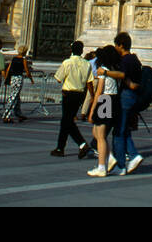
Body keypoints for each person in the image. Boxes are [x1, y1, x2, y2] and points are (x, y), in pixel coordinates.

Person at [100, 32, 145, 175]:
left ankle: (123, 163)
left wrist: (105, 73)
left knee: (118, 131)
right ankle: (132, 157)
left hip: (125, 98)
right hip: (133, 98)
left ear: (121, 45)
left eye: (116, 45)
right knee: (124, 130)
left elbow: (123, 75)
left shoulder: (125, 61)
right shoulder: (135, 59)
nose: (115, 48)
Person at [85, 45, 120, 177]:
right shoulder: (114, 69)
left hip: (105, 101)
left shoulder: (103, 70)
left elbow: (99, 91)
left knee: (100, 136)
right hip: (113, 100)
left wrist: (92, 110)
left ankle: (101, 167)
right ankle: (110, 158)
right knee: (98, 133)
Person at [52, 41, 91, 157]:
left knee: (66, 121)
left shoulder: (67, 62)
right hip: (80, 95)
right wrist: (92, 95)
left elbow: (58, 78)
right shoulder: (87, 64)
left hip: (68, 94)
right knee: (67, 121)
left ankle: (81, 144)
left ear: (71, 50)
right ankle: (60, 148)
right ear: (82, 51)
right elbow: (89, 81)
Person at [0, 45, 32, 123]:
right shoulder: (23, 60)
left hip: (13, 78)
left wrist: (6, 78)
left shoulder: (14, 59)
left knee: (16, 96)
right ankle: (6, 115)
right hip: (19, 78)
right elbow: (27, 71)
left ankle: (18, 113)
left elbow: (8, 69)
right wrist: (31, 79)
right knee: (13, 96)